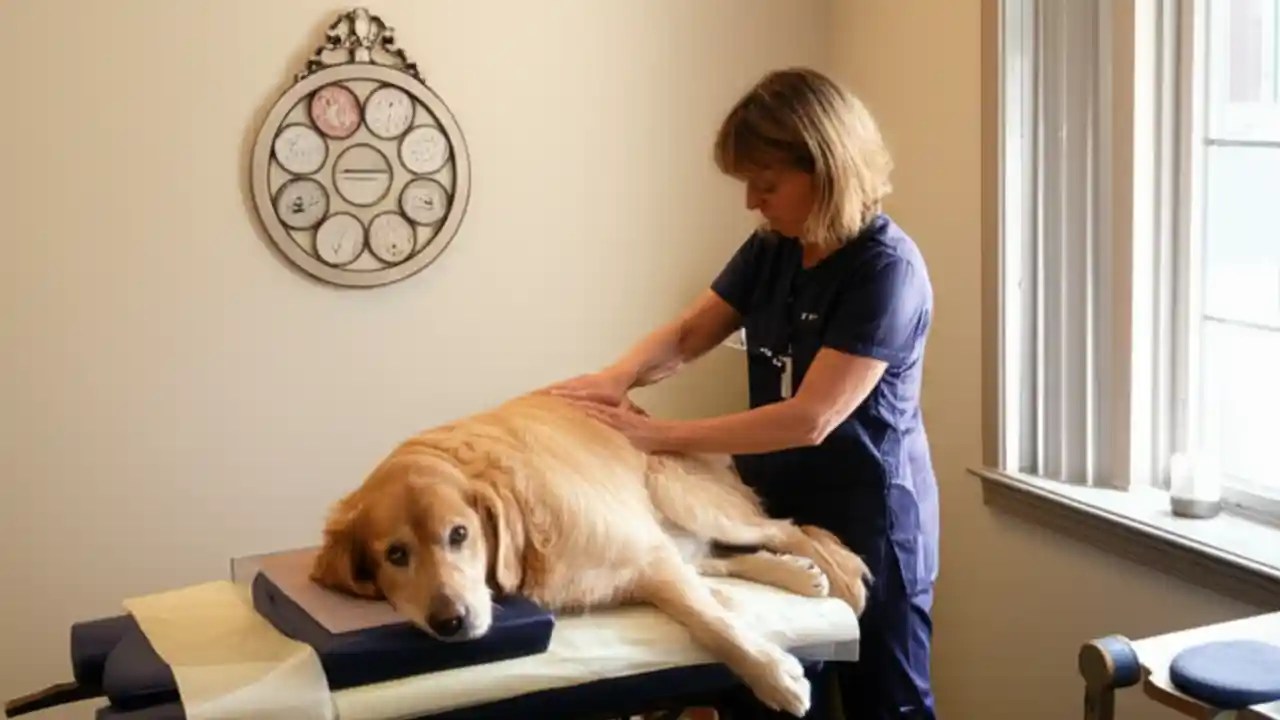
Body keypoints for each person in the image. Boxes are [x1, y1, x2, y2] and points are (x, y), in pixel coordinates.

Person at [545, 67, 938, 720]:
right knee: (770, 696)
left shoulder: (886, 272)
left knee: (885, 704)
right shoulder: (775, 247)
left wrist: (659, 437)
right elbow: (691, 331)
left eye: (767, 183)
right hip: (776, 508)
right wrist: (614, 380)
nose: (753, 201)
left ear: (826, 165)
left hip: (872, 520)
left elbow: (813, 418)